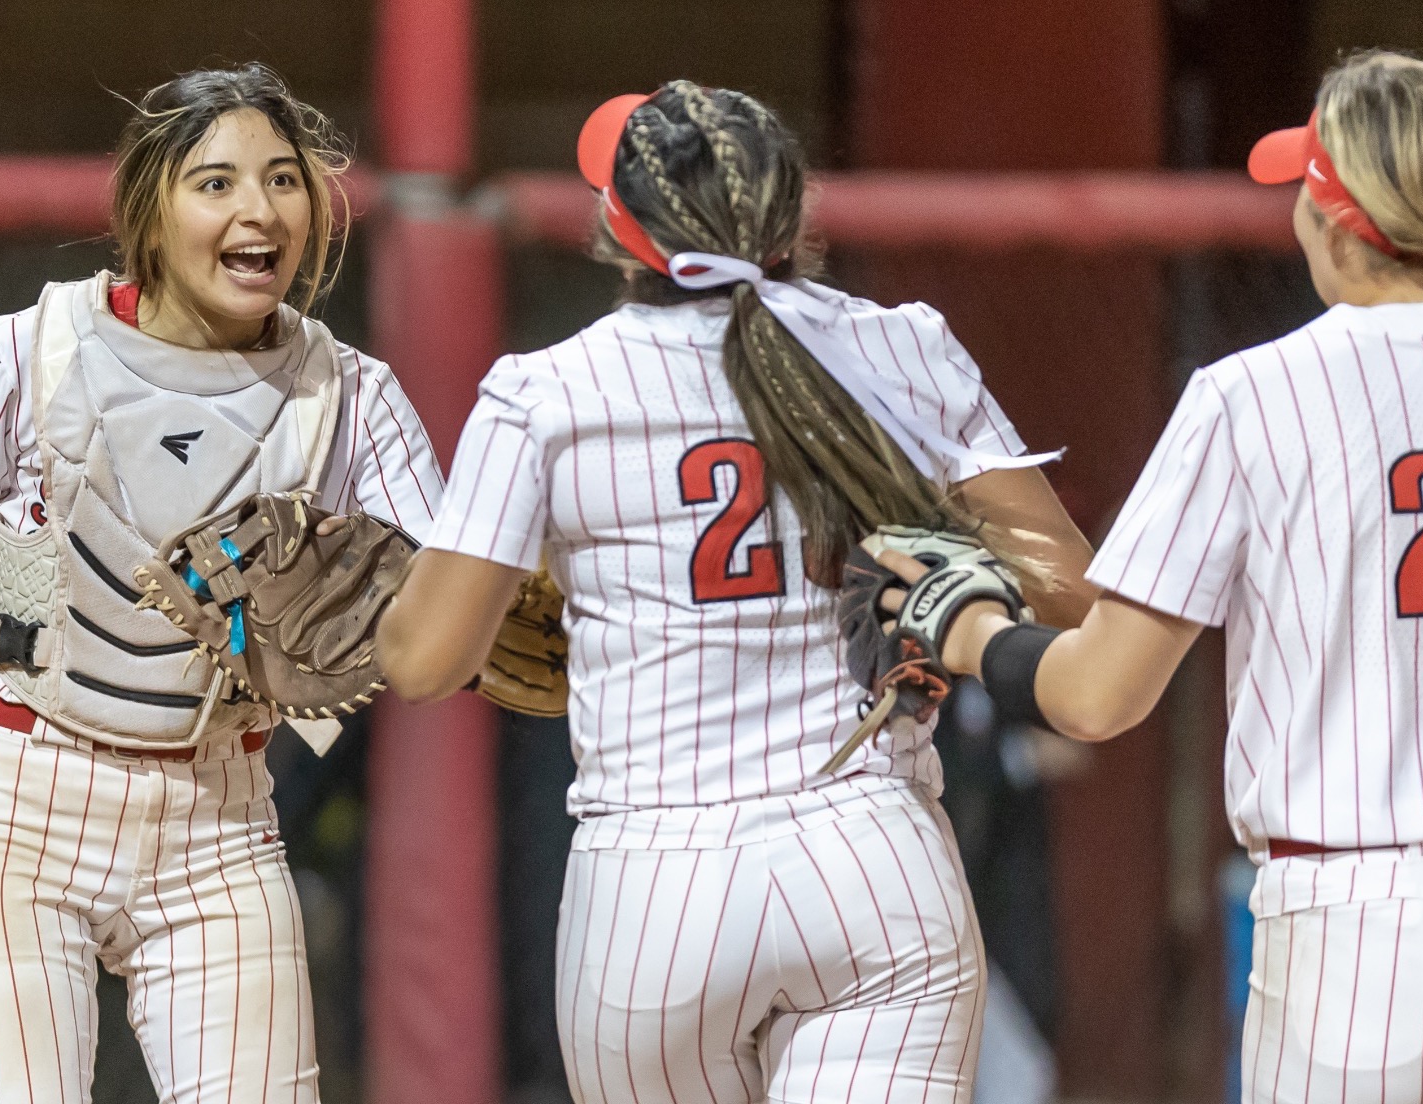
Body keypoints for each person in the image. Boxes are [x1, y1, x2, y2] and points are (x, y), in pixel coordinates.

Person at [375, 81, 1095, 1103]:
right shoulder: (898, 347)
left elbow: (424, 661)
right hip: (870, 852)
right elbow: (1067, 588)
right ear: (793, 220)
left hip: (653, 883)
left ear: (616, 230)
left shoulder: (547, 393)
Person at [886, 50, 1423, 1103]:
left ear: (1329, 215)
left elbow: (1097, 696)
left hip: (1363, 932)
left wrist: (963, 628)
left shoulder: (1253, 395)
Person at [0, 64, 444, 1104]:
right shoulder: (30, 350)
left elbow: (443, 609)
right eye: (215, 182)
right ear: (148, 208)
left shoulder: (350, 396)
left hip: (220, 812)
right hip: (21, 803)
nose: (257, 208)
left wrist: (488, 620)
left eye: (281, 179)